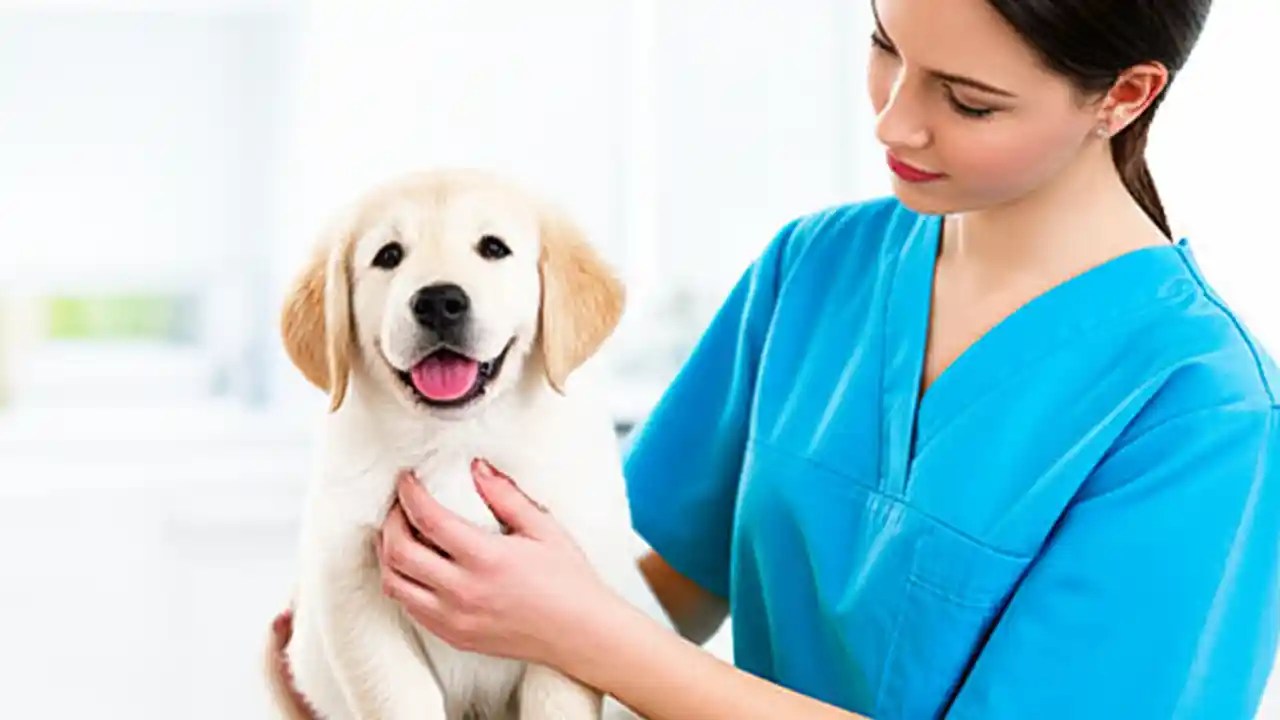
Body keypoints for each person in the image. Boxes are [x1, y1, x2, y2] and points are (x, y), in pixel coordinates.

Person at [269, 0, 1280, 717]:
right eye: (882, 45)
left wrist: (578, 633)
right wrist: (400, 652)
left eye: (966, 100)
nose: (892, 120)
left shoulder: (1196, 410)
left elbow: (592, 624)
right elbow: (643, 581)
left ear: (1123, 95)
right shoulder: (814, 269)